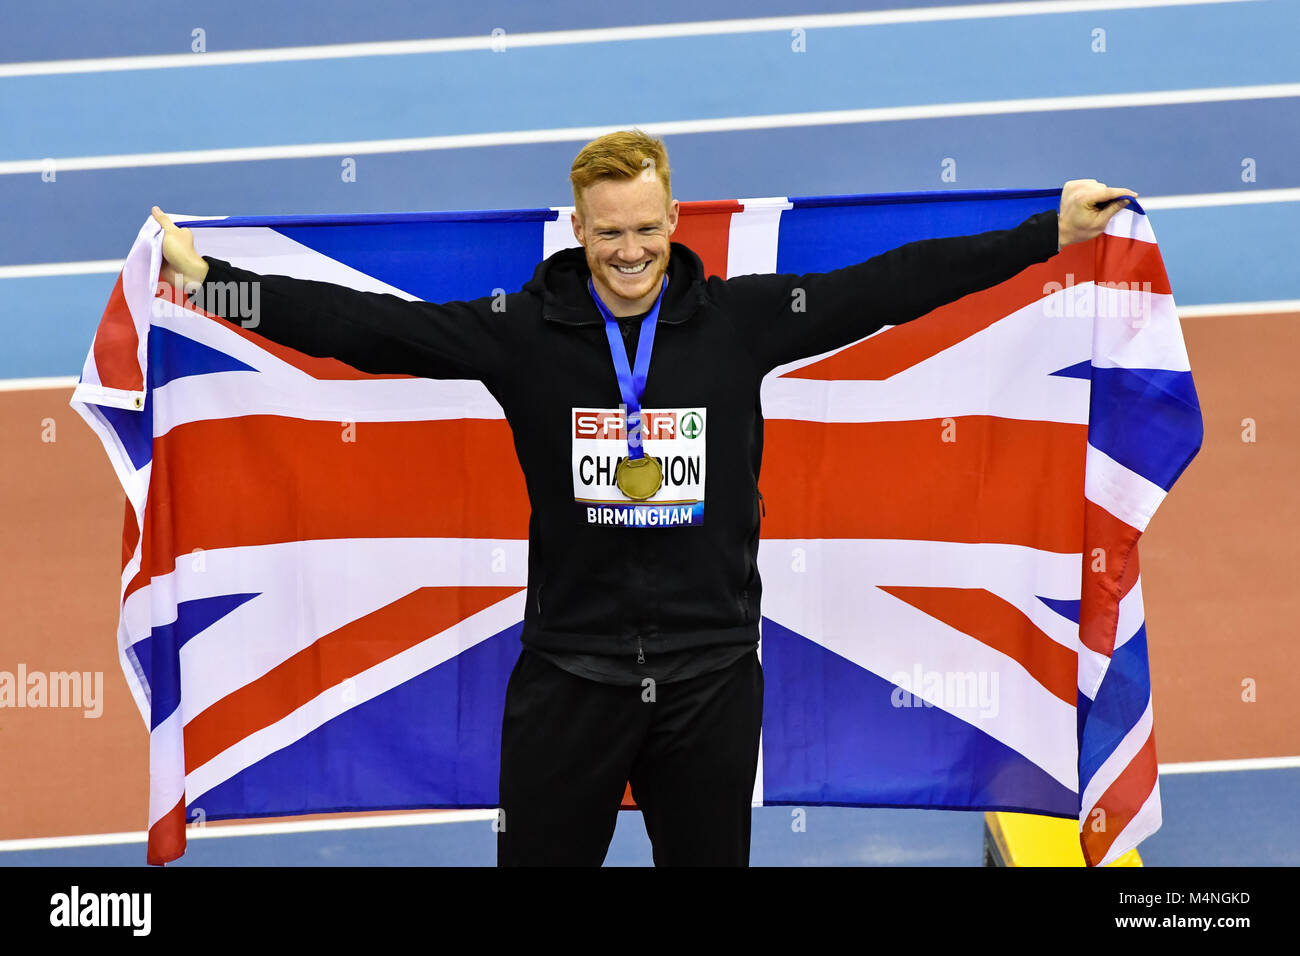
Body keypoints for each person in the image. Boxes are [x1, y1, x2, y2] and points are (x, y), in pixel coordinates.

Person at [151, 129, 1136, 867]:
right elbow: (358, 327)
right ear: (579, 229)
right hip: (568, 676)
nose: (630, 252)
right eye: (611, 233)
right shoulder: (520, 333)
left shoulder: (741, 322)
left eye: (646, 229)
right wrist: (207, 284)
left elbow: (890, 285)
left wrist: (1045, 234)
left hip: (710, 676)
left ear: (674, 222)